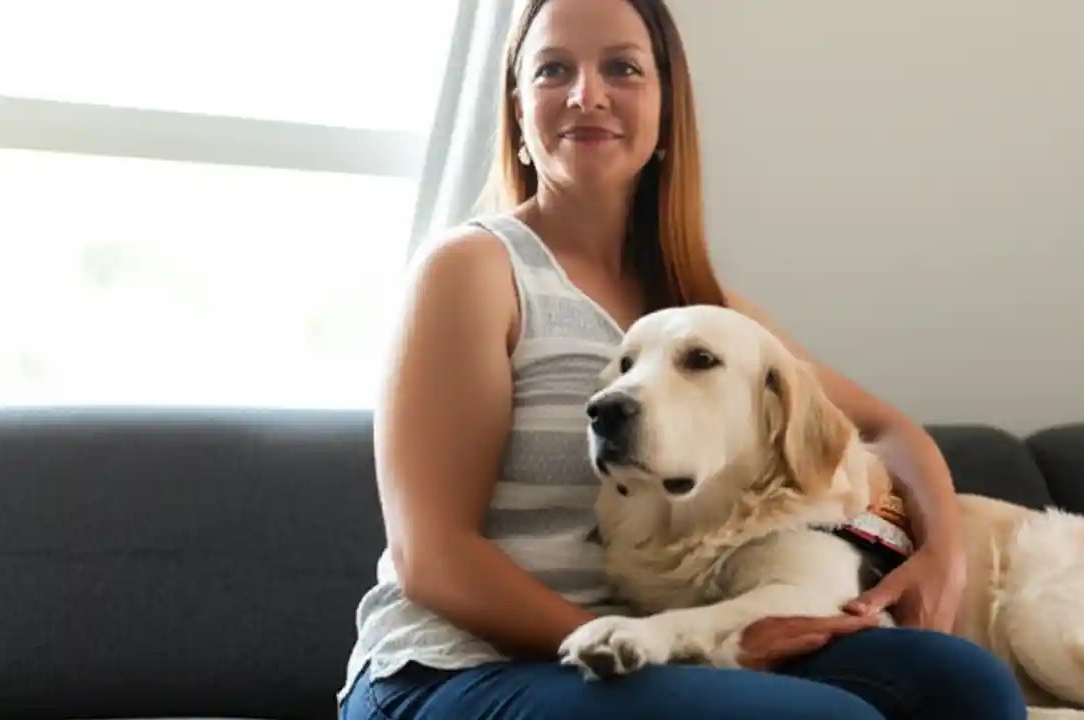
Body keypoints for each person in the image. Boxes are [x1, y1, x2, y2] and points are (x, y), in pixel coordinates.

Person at [339, 0, 1027, 718]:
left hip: (642, 649)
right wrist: (673, 644)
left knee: (968, 685)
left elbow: (885, 430)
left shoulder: (701, 309)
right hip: (449, 669)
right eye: (552, 70)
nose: (586, 93)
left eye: (622, 68)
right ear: (518, 112)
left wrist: (941, 556)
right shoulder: (473, 269)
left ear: (667, 112)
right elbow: (431, 558)